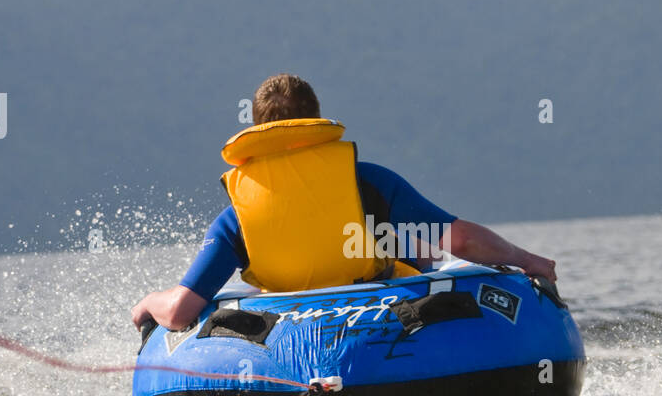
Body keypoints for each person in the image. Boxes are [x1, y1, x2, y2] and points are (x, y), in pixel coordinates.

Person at [131, 74, 557, 331]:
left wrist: (148, 301)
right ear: (317, 121)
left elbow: (182, 311)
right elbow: (460, 240)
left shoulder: (236, 217)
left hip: (288, 335)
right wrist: (526, 259)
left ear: (257, 132)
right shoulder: (367, 181)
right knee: (415, 255)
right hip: (385, 317)